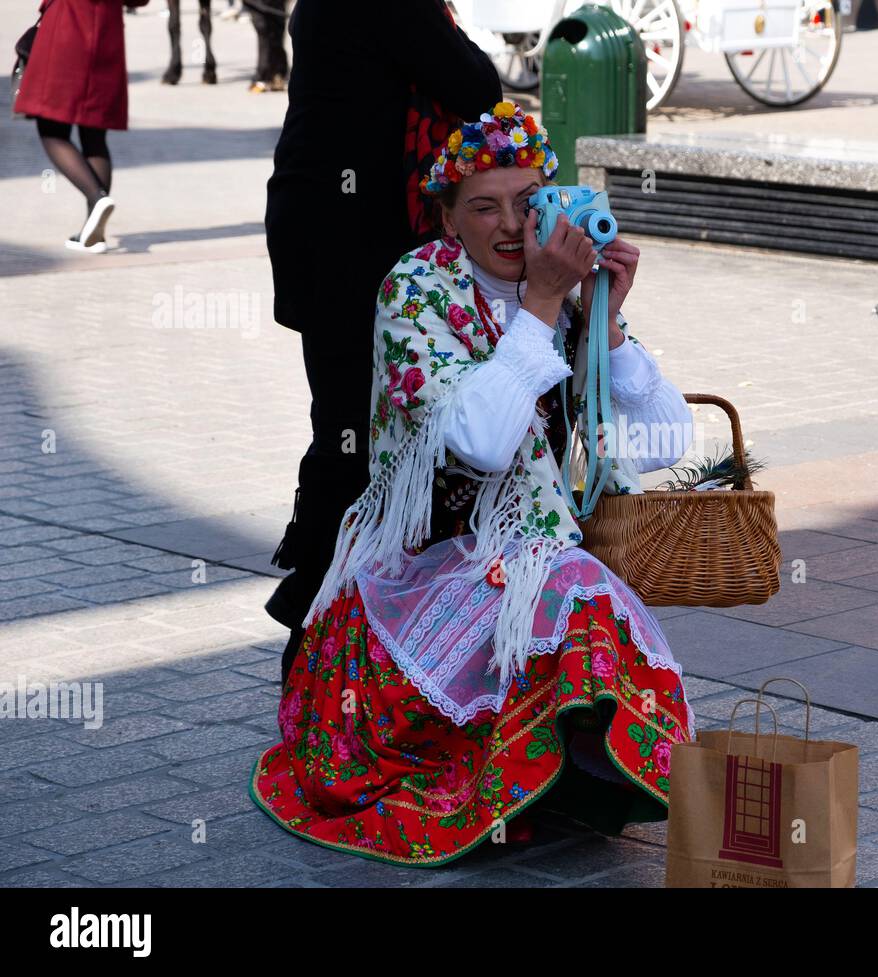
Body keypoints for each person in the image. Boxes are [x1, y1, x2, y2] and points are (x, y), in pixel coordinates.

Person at [250, 101, 698, 865]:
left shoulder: (561, 289)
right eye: (484, 207)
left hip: (511, 570)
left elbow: (668, 442)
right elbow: (484, 445)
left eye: (529, 203)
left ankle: (571, 777)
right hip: (413, 583)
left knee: (568, 584)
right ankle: (521, 769)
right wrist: (547, 302)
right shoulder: (416, 288)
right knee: (577, 588)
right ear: (448, 220)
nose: (512, 226)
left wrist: (608, 322)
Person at [263, 0, 503, 690]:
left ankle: (346, 645)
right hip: (348, 245)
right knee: (358, 445)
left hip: (330, 230)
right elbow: (474, 83)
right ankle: (316, 649)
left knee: (356, 435)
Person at [13, 0, 133, 252]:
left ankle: (96, 198)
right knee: (95, 133)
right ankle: (94, 233)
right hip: (106, 33)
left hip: (68, 28)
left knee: (52, 129)